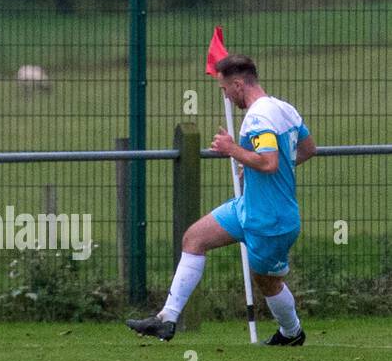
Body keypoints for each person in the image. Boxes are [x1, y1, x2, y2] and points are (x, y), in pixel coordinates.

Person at [126, 54, 316, 345]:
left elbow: (269, 163)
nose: (225, 95)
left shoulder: (258, 117)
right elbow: (306, 149)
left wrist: (233, 150)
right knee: (194, 238)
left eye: (224, 88)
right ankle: (167, 319)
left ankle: (292, 333)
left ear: (238, 84)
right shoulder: (284, 109)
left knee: (268, 282)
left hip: (270, 219)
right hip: (247, 208)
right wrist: (250, 165)